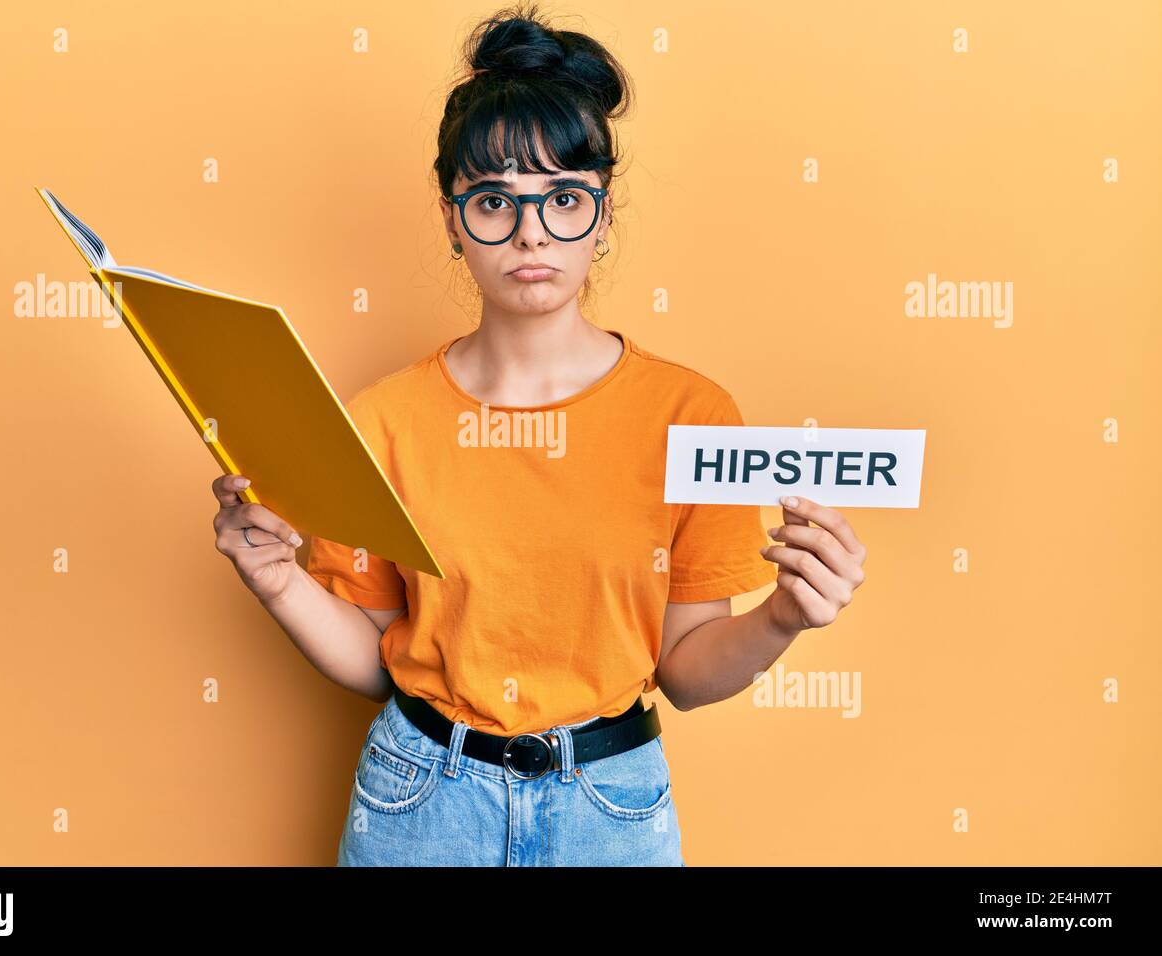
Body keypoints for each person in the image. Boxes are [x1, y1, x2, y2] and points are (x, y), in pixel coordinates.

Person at [209, 3, 867, 866]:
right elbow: (376, 659)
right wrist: (275, 582)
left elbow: (688, 670)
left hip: (612, 806)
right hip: (419, 800)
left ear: (601, 210)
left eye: (562, 198)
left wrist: (785, 615)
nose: (530, 233)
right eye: (494, 202)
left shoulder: (690, 416)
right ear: (452, 218)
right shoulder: (380, 422)